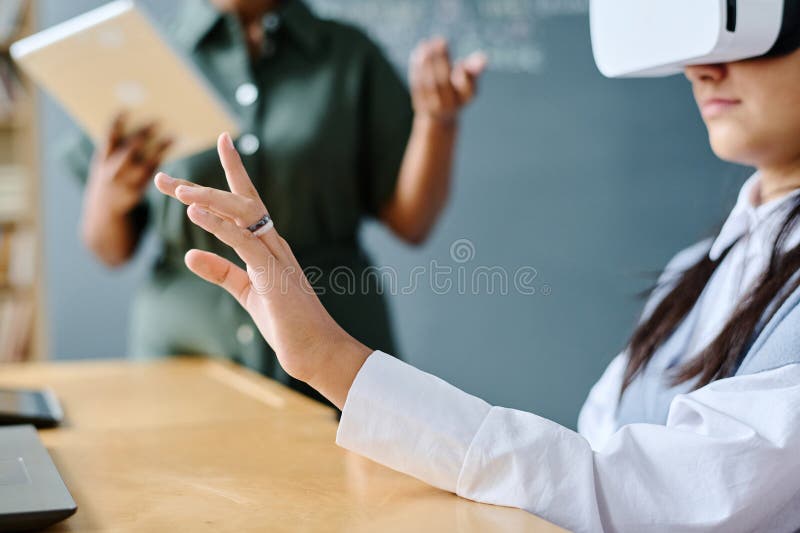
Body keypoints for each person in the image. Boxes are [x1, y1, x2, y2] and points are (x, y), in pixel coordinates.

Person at [153, 10, 800, 533]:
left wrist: (331, 359)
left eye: (757, 27)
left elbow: (628, 496)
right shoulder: (696, 272)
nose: (703, 66)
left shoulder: (345, 56)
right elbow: (595, 456)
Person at [64, 0, 486, 394]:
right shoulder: (148, 60)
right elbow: (110, 250)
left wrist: (436, 121)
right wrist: (109, 193)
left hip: (336, 354)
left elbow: (412, 223)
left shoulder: (350, 56)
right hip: (183, 356)